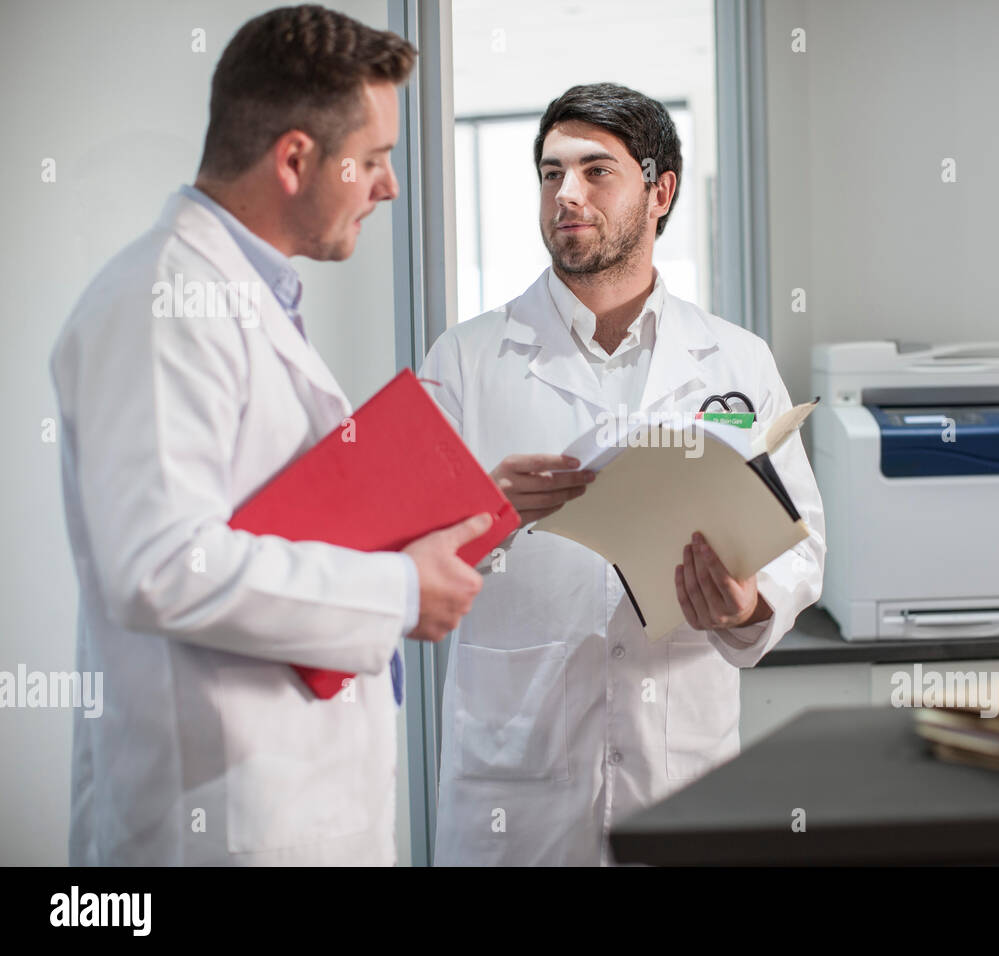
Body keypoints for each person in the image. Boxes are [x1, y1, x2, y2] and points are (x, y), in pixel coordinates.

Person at [50, 4, 486, 865]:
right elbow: (163, 567)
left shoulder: (245, 300)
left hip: (285, 808)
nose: (389, 187)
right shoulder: (161, 303)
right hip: (218, 826)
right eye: (376, 161)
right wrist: (397, 591)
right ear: (295, 159)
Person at [420, 82, 826, 865]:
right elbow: (401, 557)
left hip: (679, 770)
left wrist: (745, 605)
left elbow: (800, 544)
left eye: (594, 171)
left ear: (659, 190)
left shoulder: (736, 360)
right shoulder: (466, 360)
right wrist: (486, 510)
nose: (566, 194)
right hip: (516, 786)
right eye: (550, 173)